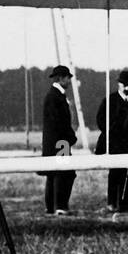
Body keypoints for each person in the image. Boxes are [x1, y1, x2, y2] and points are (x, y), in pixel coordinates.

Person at [94, 69, 128, 212]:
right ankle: (112, 202)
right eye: (124, 84)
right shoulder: (110, 100)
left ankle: (124, 202)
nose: (127, 88)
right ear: (118, 84)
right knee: (115, 173)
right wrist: (111, 132)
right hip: (113, 143)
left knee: (127, 173)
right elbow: (100, 119)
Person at [41, 65, 78, 216]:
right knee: (64, 174)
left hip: (56, 142)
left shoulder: (54, 95)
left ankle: (51, 206)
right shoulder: (55, 97)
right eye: (68, 78)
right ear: (61, 78)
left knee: (53, 174)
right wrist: (70, 137)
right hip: (60, 143)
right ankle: (60, 206)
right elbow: (59, 123)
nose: (69, 81)